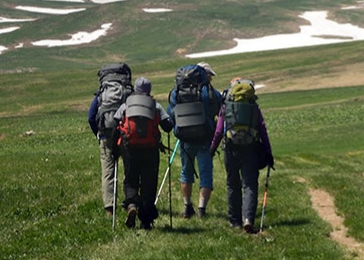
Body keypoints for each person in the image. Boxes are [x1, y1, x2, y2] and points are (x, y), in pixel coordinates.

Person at [209, 77, 274, 234]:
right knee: (249, 184)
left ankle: (235, 221)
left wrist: (212, 149)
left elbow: (218, 131)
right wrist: (268, 152)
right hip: (250, 148)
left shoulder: (226, 106)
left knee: (232, 184)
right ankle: (248, 219)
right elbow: (262, 129)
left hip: (230, 148)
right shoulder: (253, 107)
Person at [113, 77, 174, 230]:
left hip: (130, 148)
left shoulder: (127, 104)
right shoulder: (155, 105)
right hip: (150, 149)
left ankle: (132, 204)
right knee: (149, 183)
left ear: (135, 89)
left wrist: (115, 150)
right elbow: (167, 126)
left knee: (131, 179)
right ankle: (146, 221)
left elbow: (115, 123)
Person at [168, 62, 222, 219]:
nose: (211, 78)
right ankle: (201, 209)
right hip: (205, 137)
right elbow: (219, 109)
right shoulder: (209, 92)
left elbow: (171, 112)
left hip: (185, 138)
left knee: (186, 171)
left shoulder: (177, 91)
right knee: (206, 173)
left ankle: (187, 206)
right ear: (204, 74)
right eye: (209, 75)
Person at [88, 63, 133, 218]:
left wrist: (98, 133)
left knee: (108, 170)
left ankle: (109, 208)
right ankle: (130, 202)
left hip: (106, 134)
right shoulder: (128, 91)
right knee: (129, 169)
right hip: (125, 135)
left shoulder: (102, 93)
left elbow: (91, 117)